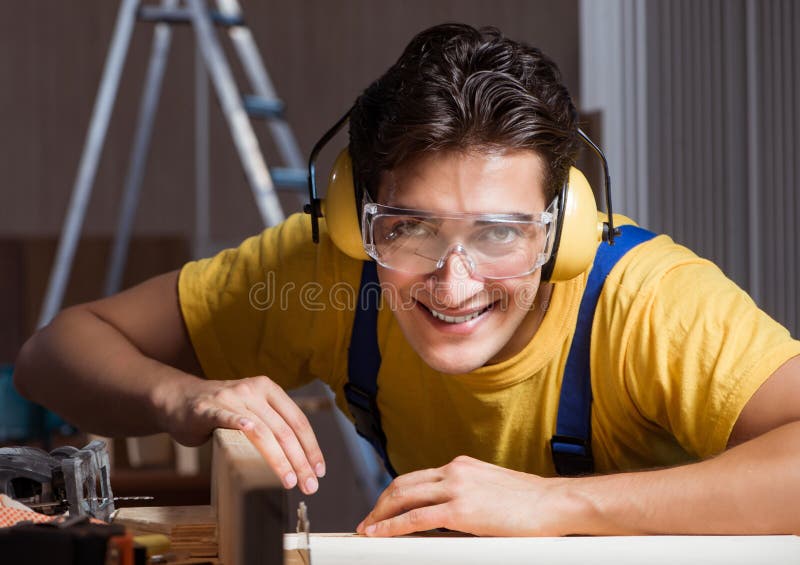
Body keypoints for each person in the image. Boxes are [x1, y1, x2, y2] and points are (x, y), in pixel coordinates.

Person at [14, 23, 800, 537]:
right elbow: (54, 355)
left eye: (499, 233)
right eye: (411, 229)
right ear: (360, 223)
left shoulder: (647, 304)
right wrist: (183, 397)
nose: (453, 284)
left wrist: (558, 505)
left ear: (560, 230)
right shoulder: (326, 275)